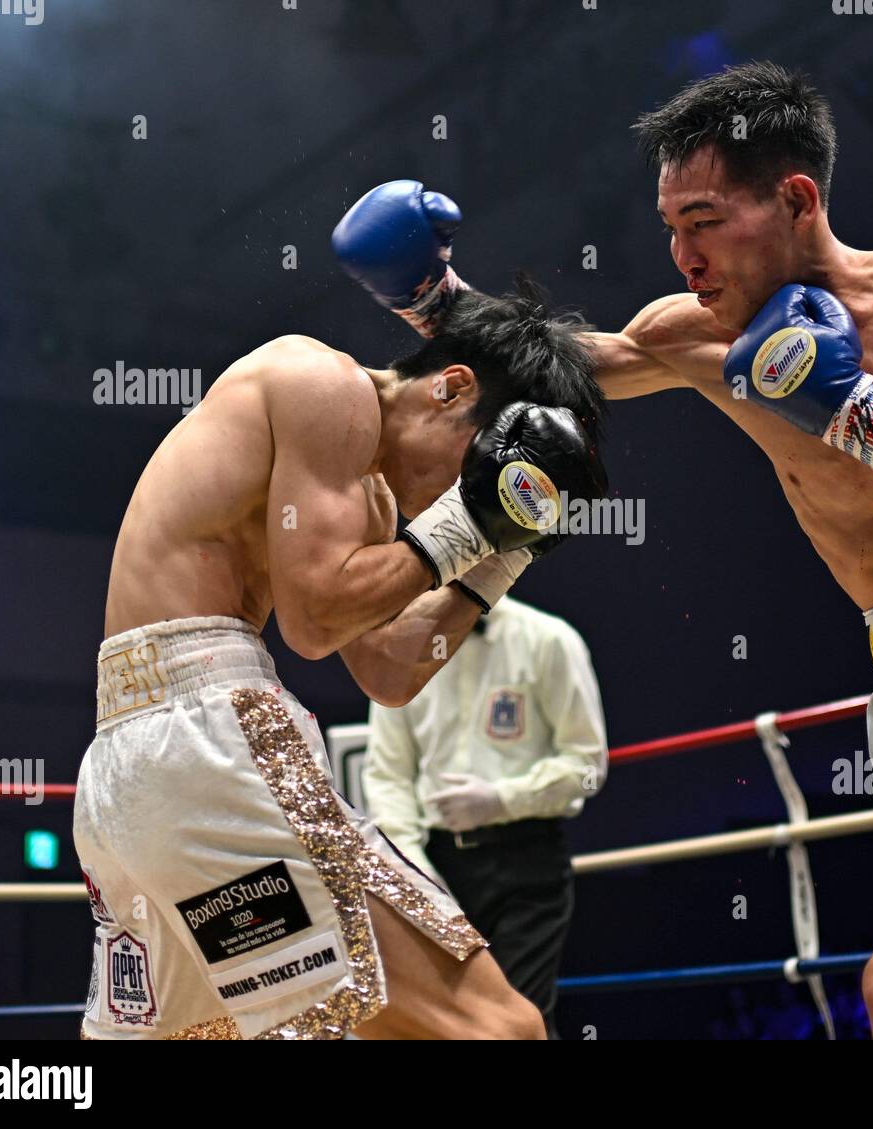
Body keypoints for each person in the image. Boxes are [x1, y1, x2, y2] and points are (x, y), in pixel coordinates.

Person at [340, 61, 873, 1039]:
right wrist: (430, 296)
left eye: (703, 221)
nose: (683, 257)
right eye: (669, 231)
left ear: (796, 198)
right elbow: (558, 363)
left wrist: (852, 411)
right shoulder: (694, 337)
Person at [73, 265, 608, 1039]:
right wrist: (466, 524)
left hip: (140, 777)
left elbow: (387, 668)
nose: (463, 495)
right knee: (500, 1028)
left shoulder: (371, 495)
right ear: (452, 389)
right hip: (208, 745)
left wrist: (500, 556)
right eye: (476, 468)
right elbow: (315, 619)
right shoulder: (324, 383)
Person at [362, 597, 608, 1037]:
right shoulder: (403, 651)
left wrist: (503, 798)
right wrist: (413, 867)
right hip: (434, 865)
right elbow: (388, 774)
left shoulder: (548, 639)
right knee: (445, 1024)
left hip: (527, 862)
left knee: (517, 1021)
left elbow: (588, 766)